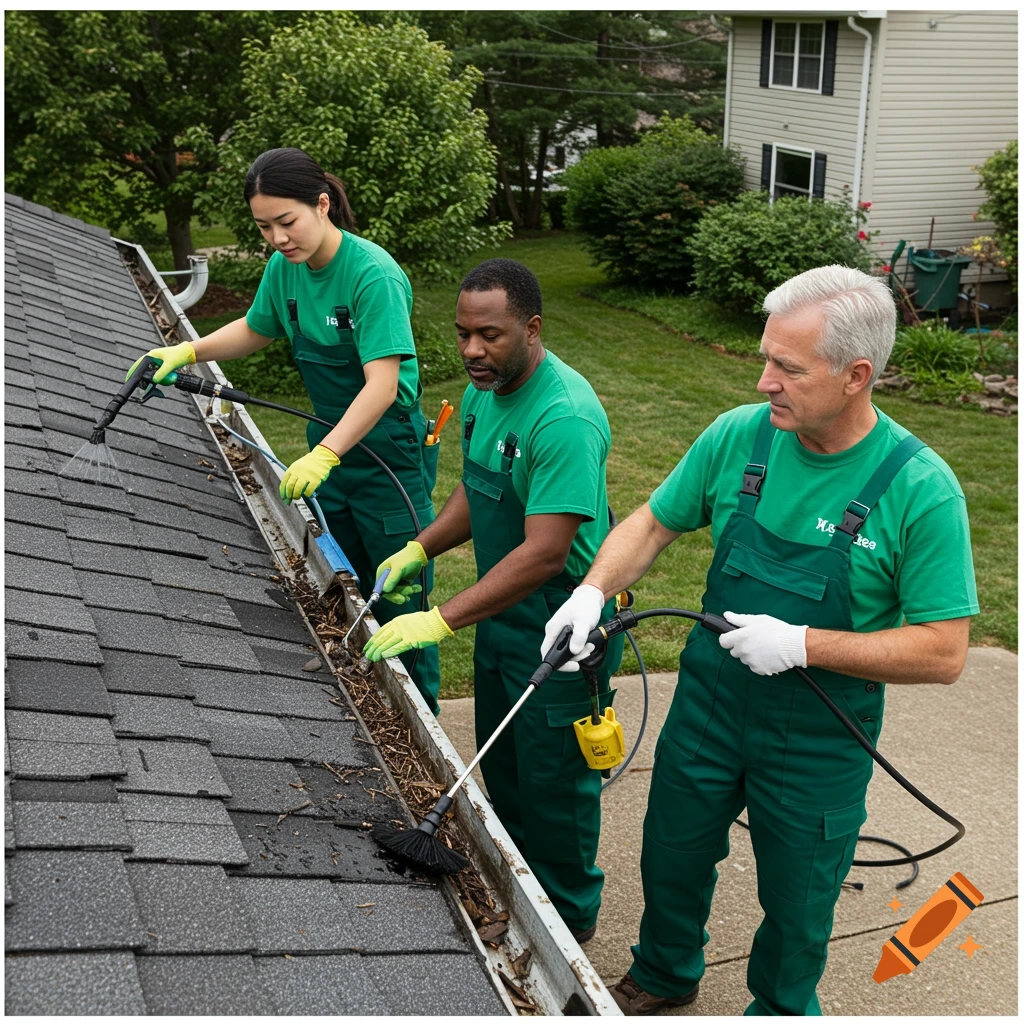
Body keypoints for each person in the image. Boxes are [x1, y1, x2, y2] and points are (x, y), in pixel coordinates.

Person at [543, 265, 979, 1014]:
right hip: (710, 707)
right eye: (765, 357)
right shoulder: (739, 438)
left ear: (856, 375)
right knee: (671, 855)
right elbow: (653, 522)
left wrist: (806, 643)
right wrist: (592, 591)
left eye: (788, 367)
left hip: (818, 736)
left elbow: (944, 650)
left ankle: (779, 1009)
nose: (763, 381)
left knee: (799, 902)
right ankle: (664, 972)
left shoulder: (919, 489)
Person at [124, 147, 441, 711]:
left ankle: (421, 716)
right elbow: (256, 327)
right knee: (343, 580)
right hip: (329, 447)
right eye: (264, 226)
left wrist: (327, 455)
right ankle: (368, 696)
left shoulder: (372, 275)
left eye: (286, 222)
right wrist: (186, 350)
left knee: (398, 601)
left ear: (323, 205)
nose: (277, 238)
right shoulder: (285, 270)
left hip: (387, 459)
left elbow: (382, 386)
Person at [364, 258, 624, 941]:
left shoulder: (564, 417)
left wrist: (442, 616)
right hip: (503, 617)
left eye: (491, 335)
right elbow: (480, 488)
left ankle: (567, 924)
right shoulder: (485, 390)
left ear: (531, 329)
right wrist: (421, 547)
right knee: (503, 771)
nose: (473, 351)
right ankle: (515, 890)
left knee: (556, 789)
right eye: (462, 334)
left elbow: (543, 552)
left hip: (564, 622)